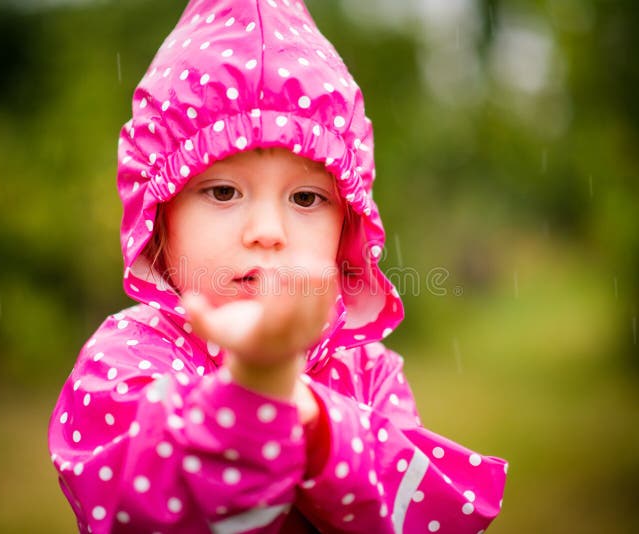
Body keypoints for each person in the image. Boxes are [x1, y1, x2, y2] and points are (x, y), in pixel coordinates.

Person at [48, 0, 508, 532]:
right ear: (159, 217)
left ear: (348, 227)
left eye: (307, 199)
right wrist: (255, 391)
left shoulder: (368, 374)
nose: (268, 232)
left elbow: (422, 512)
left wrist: (313, 419)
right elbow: (141, 514)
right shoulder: (126, 363)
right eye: (223, 191)